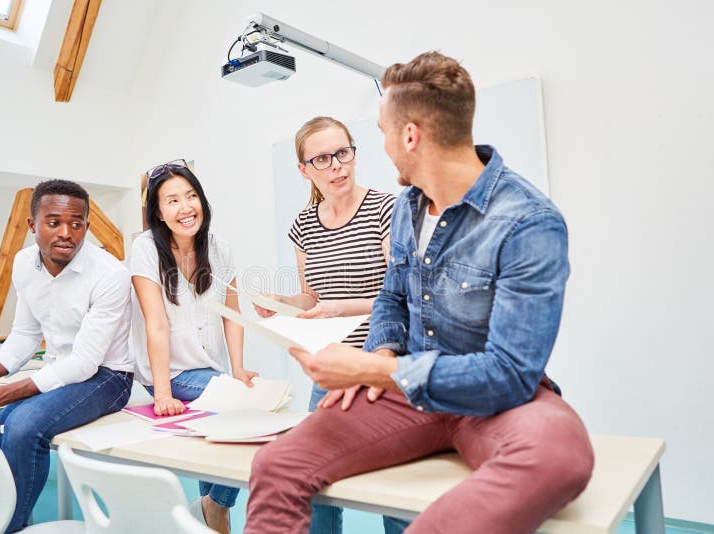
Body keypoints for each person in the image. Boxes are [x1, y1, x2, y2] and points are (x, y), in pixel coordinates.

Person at [244, 51, 595, 534]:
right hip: (403, 391)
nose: (383, 146)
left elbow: (510, 374)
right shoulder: (410, 205)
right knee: (276, 464)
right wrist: (382, 352)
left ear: (410, 136)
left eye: (384, 132)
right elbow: (392, 297)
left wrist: (379, 367)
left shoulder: (529, 222)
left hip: (494, 399)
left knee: (560, 457)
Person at [0, 179, 134, 533]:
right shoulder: (24, 263)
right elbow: (25, 334)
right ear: (33, 225)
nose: (66, 233)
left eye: (77, 224)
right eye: (53, 222)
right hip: (58, 370)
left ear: (87, 226)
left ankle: (6, 528)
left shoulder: (111, 275)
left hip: (108, 377)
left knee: (24, 427)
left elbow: (85, 363)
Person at [253, 116, 397, 533]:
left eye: (343, 153)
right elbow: (312, 298)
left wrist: (340, 309)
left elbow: (398, 297)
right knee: (315, 479)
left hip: (381, 363)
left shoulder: (386, 209)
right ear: (303, 169)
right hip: (329, 366)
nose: (337, 166)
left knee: (392, 481)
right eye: (322, 158)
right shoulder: (303, 226)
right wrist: (283, 303)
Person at [130, 160, 256, 534]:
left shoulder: (219, 248)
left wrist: (239, 369)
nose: (185, 208)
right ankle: (214, 508)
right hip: (170, 373)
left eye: (191, 196)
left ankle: (212, 511)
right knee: (239, 414)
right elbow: (156, 323)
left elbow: (232, 313)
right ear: (158, 211)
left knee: (236, 417)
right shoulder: (145, 248)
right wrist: (163, 393)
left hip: (210, 370)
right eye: (172, 201)